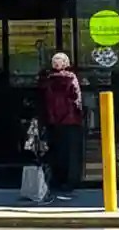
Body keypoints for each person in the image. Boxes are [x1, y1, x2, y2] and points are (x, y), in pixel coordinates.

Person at [39, 52, 84, 200]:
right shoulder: (71, 78)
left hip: (53, 121)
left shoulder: (47, 80)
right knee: (71, 153)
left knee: (55, 152)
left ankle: (56, 180)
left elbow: (45, 100)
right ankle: (70, 181)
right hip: (70, 121)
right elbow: (76, 98)